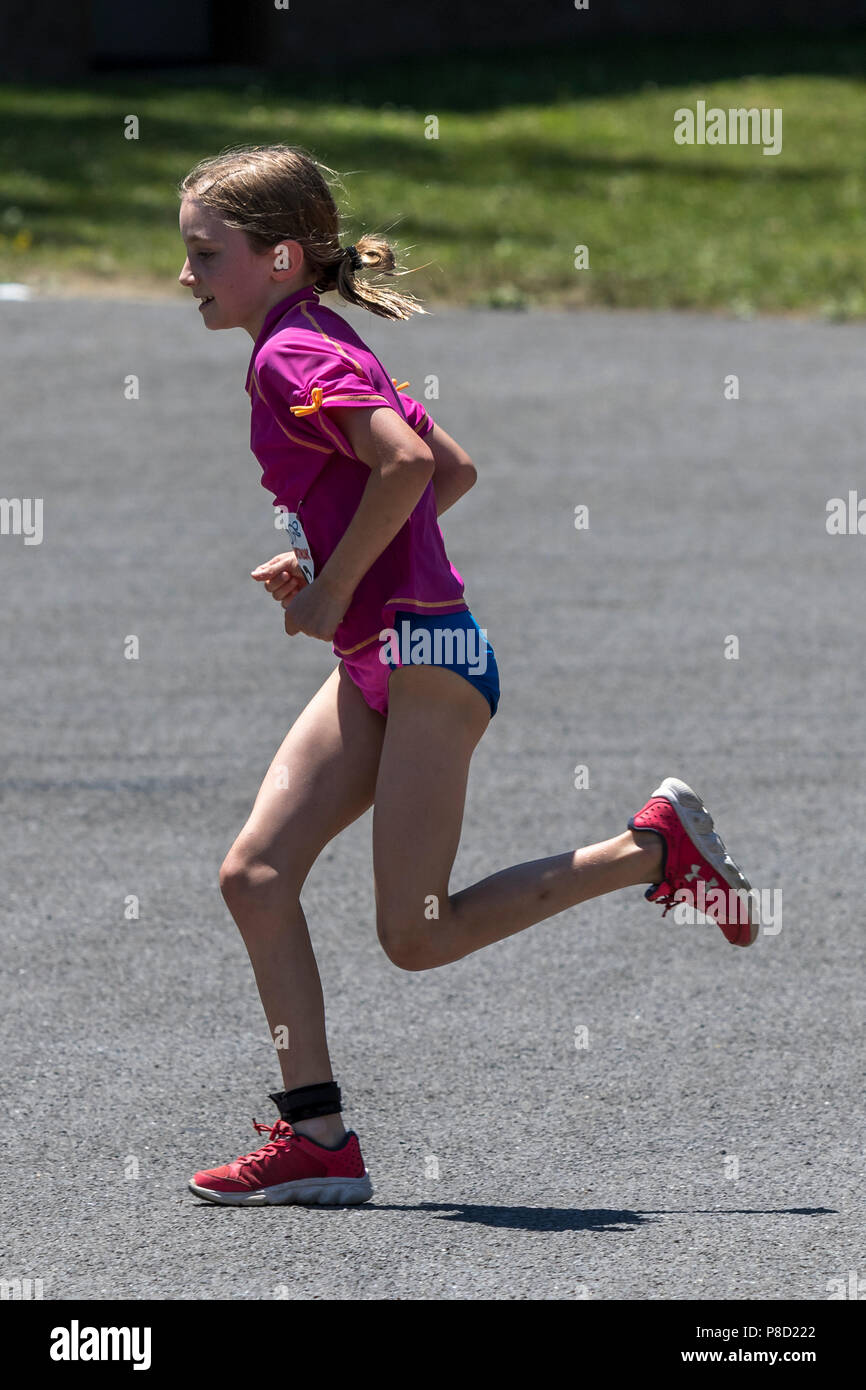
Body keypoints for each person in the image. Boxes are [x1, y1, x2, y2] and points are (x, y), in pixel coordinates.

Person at [177, 145, 757, 1208]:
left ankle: (646, 849)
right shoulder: (309, 337)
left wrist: (327, 586)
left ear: (279, 256)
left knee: (417, 933)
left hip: (425, 655)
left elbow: (405, 466)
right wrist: (328, 565)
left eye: (206, 253)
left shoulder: (287, 355)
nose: (187, 275)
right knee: (254, 877)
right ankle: (317, 1141)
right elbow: (451, 468)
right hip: (387, 650)